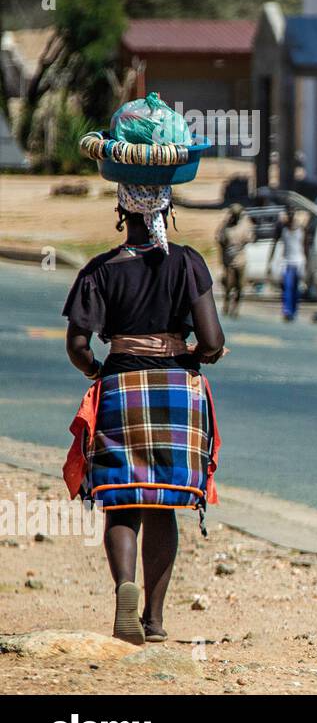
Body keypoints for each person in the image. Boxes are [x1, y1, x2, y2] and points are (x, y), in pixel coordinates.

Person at [63, 181, 225, 646]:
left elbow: (77, 345)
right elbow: (211, 340)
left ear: (122, 210)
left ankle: (124, 590)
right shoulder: (187, 263)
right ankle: (153, 619)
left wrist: (99, 369)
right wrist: (198, 354)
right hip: (175, 391)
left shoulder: (100, 270)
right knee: (163, 503)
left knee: (122, 498)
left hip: (120, 389)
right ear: (167, 208)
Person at [215, 203, 254, 317]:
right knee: (228, 284)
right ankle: (226, 304)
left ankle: (236, 307)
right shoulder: (225, 226)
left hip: (240, 259)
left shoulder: (245, 225)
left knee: (240, 285)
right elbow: (219, 238)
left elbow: (250, 237)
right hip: (229, 260)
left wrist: (241, 243)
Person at [267, 209, 306, 322]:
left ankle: (294, 311)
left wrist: (306, 263)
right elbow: (274, 244)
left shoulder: (301, 229)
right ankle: (287, 311)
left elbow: (305, 246)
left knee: (296, 289)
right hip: (287, 262)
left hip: (298, 262)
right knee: (287, 287)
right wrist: (270, 260)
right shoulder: (282, 229)